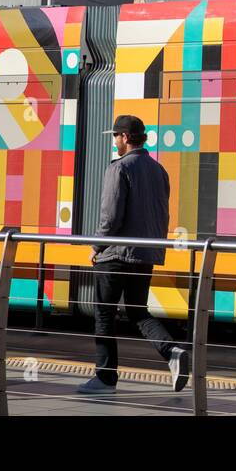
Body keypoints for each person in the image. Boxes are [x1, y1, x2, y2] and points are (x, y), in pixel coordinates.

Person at [78, 115, 190, 395]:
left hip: (115, 255)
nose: (114, 142)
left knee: (104, 313)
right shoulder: (158, 170)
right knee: (137, 311)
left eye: (115, 136)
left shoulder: (119, 168)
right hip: (145, 254)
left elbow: (111, 217)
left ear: (125, 138)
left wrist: (97, 245)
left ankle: (105, 379)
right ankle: (172, 351)